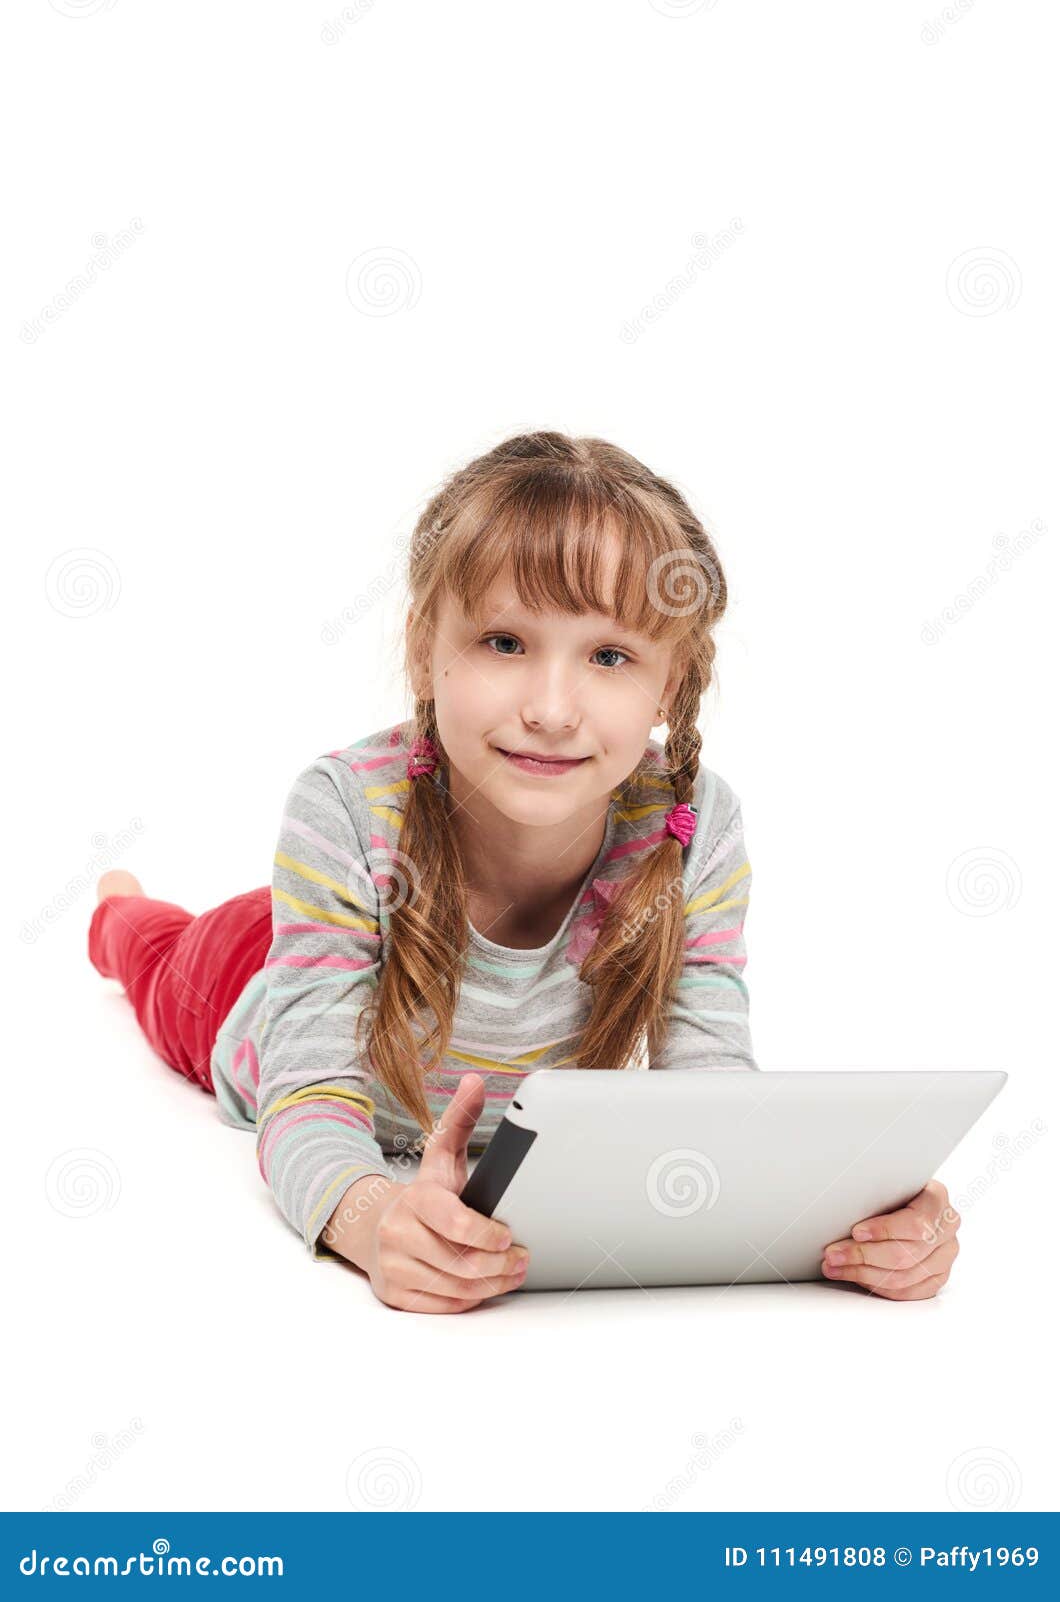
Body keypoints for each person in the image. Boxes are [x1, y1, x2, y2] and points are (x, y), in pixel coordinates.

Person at [87, 430, 960, 1311]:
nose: (549, 710)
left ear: (672, 684)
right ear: (427, 646)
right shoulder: (342, 810)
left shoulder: (694, 828)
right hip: (242, 976)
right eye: (504, 642)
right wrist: (371, 1218)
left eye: (609, 656)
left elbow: (710, 1087)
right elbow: (310, 1090)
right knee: (153, 949)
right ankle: (117, 907)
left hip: (345, 928)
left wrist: (858, 1223)